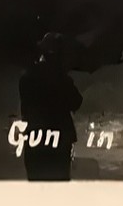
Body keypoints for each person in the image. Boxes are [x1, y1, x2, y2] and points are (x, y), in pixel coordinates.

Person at [17, 32, 83, 181]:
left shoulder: (27, 78)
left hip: (35, 137)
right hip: (59, 138)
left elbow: (25, 108)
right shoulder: (62, 79)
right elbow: (77, 102)